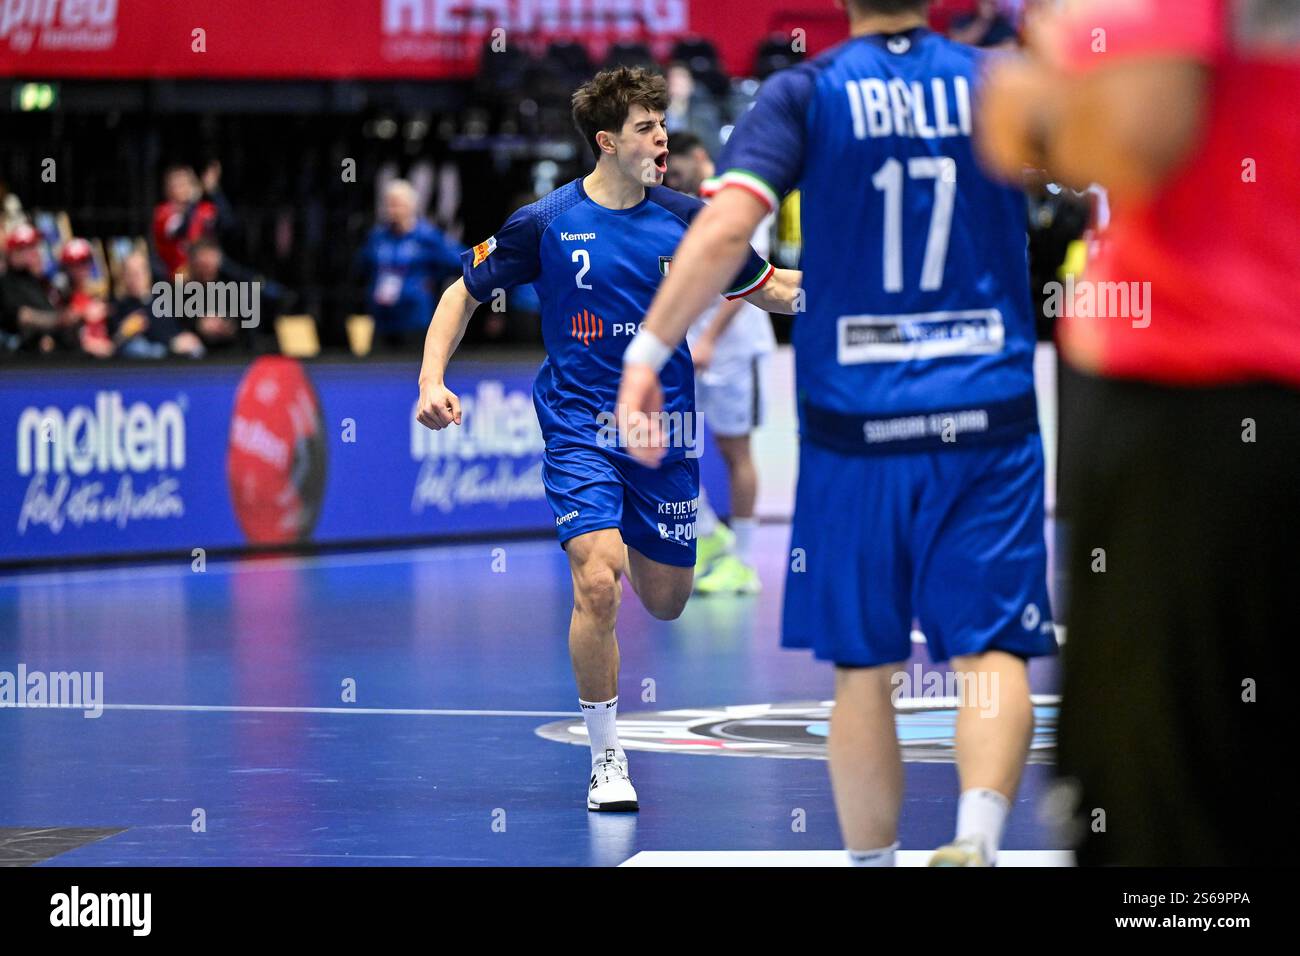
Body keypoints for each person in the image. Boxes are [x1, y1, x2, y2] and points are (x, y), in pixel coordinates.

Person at [618, 0, 1056, 866]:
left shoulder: (803, 93)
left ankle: (874, 862)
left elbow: (727, 228)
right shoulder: (999, 81)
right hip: (988, 410)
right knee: (991, 646)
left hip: (859, 423)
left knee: (863, 668)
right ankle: (976, 835)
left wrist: (650, 345)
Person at [416, 66, 802, 812]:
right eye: (646, 128)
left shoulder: (693, 218)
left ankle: (625, 537)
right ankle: (606, 760)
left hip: (663, 435)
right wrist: (431, 381)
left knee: (665, 600)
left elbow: (773, 290)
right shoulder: (547, 222)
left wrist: (844, 289)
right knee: (596, 582)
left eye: (662, 124)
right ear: (606, 142)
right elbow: (461, 293)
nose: (662, 139)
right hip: (578, 427)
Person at [978, 0, 1300, 866]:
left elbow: (1131, 132)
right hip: (1232, 397)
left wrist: (1037, 97)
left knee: (1165, 808)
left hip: (1207, 397)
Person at [665, 131, 776, 595]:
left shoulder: (737, 198)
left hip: (735, 347)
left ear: (700, 156)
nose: (669, 174)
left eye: (676, 166)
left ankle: (745, 562)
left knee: (735, 450)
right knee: (671, 446)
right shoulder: (673, 206)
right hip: (687, 349)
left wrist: (708, 338)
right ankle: (709, 532)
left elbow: (755, 276)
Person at [356, 180, 464, 351]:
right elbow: (363, 266)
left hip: (414, 320)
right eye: (389, 205)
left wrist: (435, 281)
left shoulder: (427, 236)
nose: (392, 211)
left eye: (397, 205)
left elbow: (459, 261)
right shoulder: (377, 236)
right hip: (382, 320)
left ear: (411, 206)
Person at [110, 251, 206, 358]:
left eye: (139, 272)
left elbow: (180, 326)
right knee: (138, 347)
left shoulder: (166, 298)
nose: (135, 279)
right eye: (130, 274)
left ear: (148, 273)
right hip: (149, 359)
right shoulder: (119, 307)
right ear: (124, 277)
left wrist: (185, 337)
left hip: (177, 350)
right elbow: (114, 344)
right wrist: (123, 332)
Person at [0, 223, 60, 354]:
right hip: (19, 358)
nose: (36, 252)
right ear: (14, 253)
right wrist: (60, 320)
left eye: (36, 246)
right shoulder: (6, 282)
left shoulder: (38, 281)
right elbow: (23, 317)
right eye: (29, 248)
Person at [57, 238, 113, 358]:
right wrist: (83, 314)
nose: (80, 270)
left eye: (84, 262)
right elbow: (64, 335)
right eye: (74, 265)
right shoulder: (62, 298)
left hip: (107, 361)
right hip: (79, 362)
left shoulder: (99, 295)